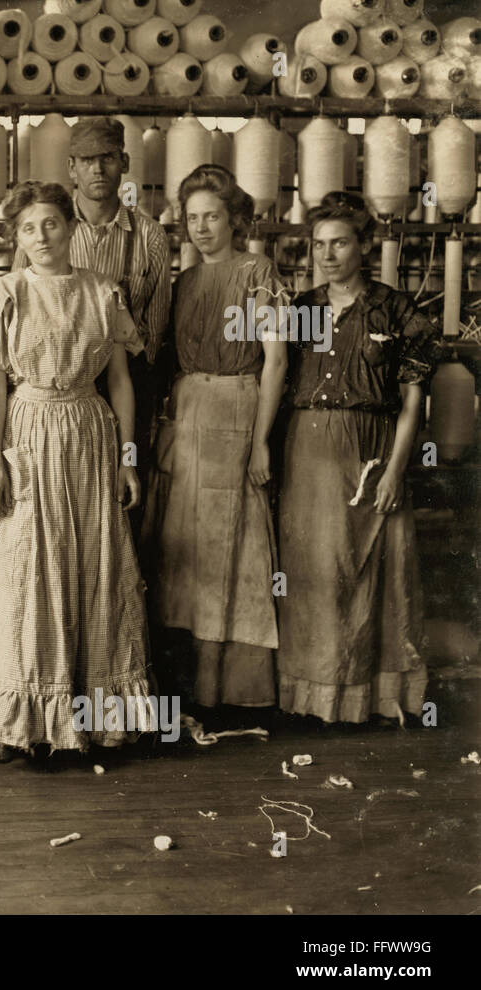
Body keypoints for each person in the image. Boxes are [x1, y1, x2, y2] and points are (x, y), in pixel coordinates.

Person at [0, 181, 153, 760]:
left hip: (89, 436)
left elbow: (121, 381)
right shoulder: (0, 297)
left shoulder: (104, 293)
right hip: (26, 436)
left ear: (71, 227)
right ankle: (16, 717)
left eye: (51, 223)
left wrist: (127, 458)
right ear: (15, 238)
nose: (41, 236)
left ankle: (87, 714)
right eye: (28, 228)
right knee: (23, 571)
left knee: (92, 567)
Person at [278, 191, 441, 723]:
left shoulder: (397, 310)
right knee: (315, 571)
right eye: (319, 245)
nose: (327, 255)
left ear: (364, 246)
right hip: (308, 450)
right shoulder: (299, 311)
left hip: (372, 448)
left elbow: (413, 399)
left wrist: (396, 470)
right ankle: (315, 697)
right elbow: (277, 381)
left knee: (373, 572)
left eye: (340, 243)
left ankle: (370, 698)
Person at [142, 164, 288, 718]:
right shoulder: (186, 281)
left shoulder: (257, 272)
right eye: (192, 218)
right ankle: (185, 686)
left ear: (236, 219)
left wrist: (261, 443)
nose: (201, 227)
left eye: (212, 216)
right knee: (183, 553)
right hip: (187, 418)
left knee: (232, 547)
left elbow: (275, 363)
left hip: (237, 412)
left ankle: (227, 689)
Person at [14, 117, 171, 528]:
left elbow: (152, 334)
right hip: (54, 393)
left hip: (124, 386)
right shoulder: (48, 229)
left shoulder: (149, 236)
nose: (97, 170)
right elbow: (20, 305)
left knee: (122, 499)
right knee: (53, 507)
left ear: (124, 162)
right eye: (86, 161)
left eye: (107, 159)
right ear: (71, 168)